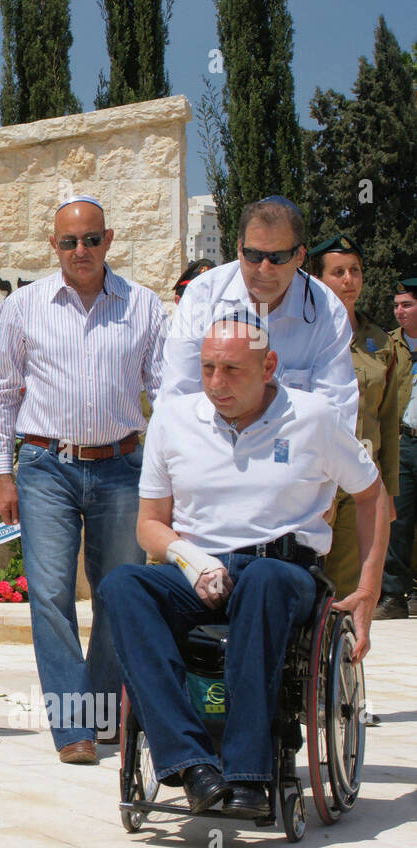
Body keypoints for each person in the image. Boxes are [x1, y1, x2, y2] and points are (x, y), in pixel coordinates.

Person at [101, 311, 386, 818]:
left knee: (264, 580)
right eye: (208, 368)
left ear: (269, 365)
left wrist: (366, 591)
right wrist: (192, 561)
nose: (217, 383)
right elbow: (150, 525)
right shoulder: (174, 418)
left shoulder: (316, 418)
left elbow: (371, 495)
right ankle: (191, 764)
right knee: (123, 585)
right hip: (199, 569)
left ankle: (249, 773)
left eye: (232, 370)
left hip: (284, 570)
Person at [0, 194, 168, 765]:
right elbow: (3, 394)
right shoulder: (24, 306)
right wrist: (2, 473)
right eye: (69, 241)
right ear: (53, 246)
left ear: (109, 240)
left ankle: (104, 712)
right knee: (50, 594)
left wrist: (172, 476)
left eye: (91, 239)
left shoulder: (144, 306)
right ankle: (74, 728)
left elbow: (165, 394)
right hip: (45, 468)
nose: (81, 250)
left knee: (120, 593)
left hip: (122, 466)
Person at [160, 196, 358, 424]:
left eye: (277, 257)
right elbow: (178, 397)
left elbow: (335, 413)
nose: (264, 269)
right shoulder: (201, 296)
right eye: (254, 255)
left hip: (296, 451)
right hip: (214, 448)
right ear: (239, 249)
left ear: (300, 257)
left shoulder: (327, 311)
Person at [308, 234, 399, 596]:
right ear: (317, 279)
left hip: (361, 481)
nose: (349, 280)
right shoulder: (306, 336)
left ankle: (344, 653)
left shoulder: (379, 340)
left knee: (348, 587)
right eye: (339, 272)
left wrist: (389, 490)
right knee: (306, 581)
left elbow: (388, 421)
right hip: (315, 476)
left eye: (355, 271)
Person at [378, 277, 417, 618]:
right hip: (404, 440)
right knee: (398, 521)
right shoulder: (390, 345)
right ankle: (394, 596)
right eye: (396, 306)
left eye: (407, 305)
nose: (399, 312)